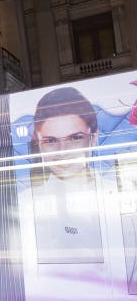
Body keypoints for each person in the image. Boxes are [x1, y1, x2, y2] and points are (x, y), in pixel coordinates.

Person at [29, 87, 103, 263]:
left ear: (93, 138)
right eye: (51, 141)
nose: (63, 152)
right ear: (38, 143)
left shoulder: (115, 193)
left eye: (75, 138)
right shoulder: (26, 202)